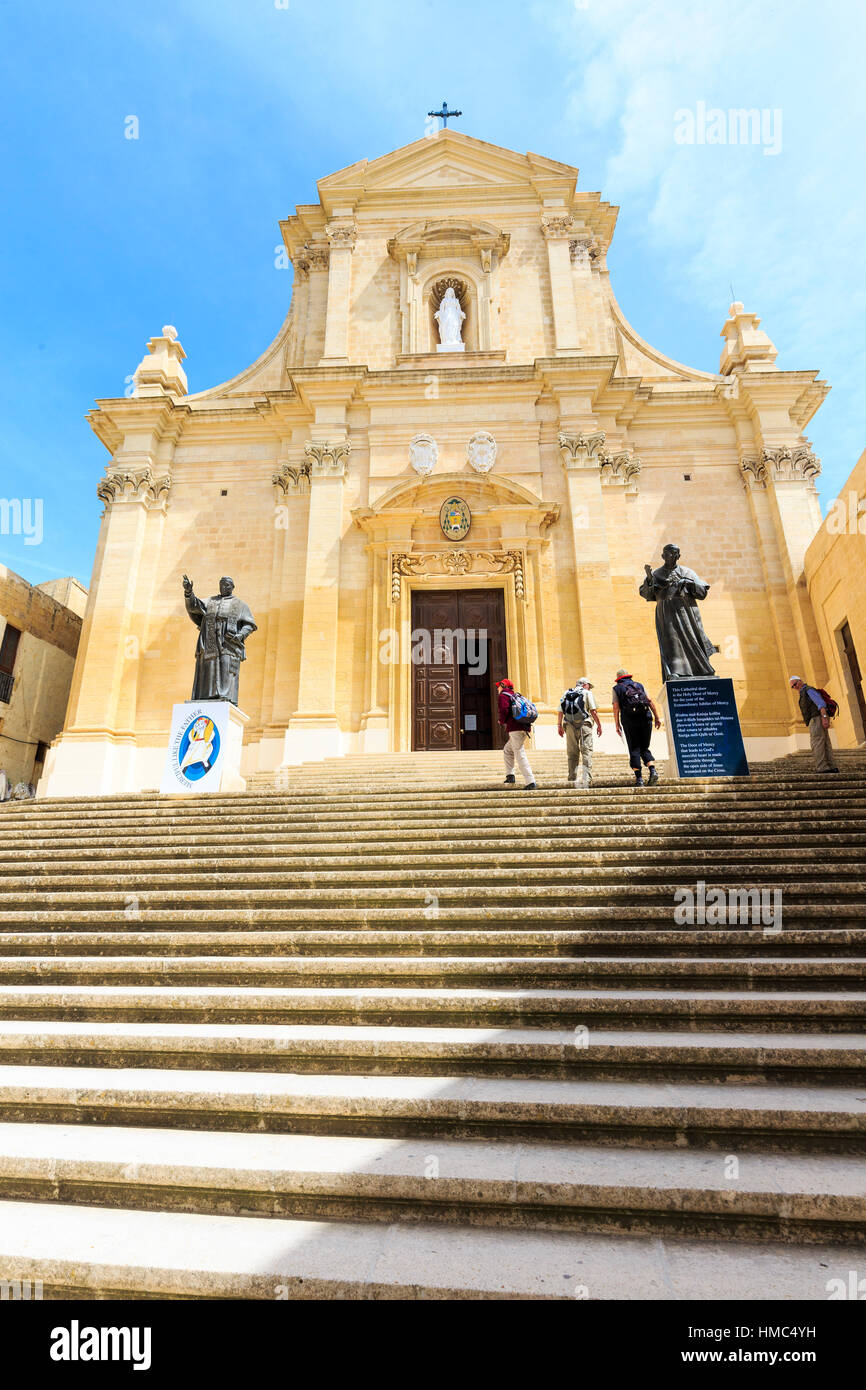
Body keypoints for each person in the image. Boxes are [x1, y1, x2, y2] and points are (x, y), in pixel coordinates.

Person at [612, 669, 661, 787]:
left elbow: (616, 707)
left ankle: (639, 779)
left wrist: (617, 724)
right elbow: (649, 701)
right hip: (646, 718)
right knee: (644, 747)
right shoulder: (639, 685)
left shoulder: (617, 688)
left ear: (618, 679)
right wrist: (657, 717)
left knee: (634, 748)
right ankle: (652, 770)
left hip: (629, 720)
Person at [558, 677, 602, 789]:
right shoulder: (587, 693)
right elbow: (593, 711)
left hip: (569, 725)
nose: (589, 688)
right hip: (584, 725)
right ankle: (586, 778)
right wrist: (599, 725)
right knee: (586, 751)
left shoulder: (566, 692)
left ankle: (572, 777)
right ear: (585, 685)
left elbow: (560, 711)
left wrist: (559, 725)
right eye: (589, 686)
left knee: (572, 752)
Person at [789, 677, 839, 773]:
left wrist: (824, 717)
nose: (794, 687)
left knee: (817, 742)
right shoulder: (804, 692)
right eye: (792, 687)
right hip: (818, 718)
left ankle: (822, 767)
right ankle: (832, 766)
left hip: (816, 719)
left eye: (795, 684)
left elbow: (821, 703)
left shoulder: (808, 690)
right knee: (824, 742)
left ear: (800, 681)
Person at [496, 678, 537, 790]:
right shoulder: (515, 695)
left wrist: (501, 720)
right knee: (508, 750)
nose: (497, 688)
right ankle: (510, 775)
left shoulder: (503, 696)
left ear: (503, 686)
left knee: (519, 753)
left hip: (515, 728)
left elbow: (504, 710)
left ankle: (530, 781)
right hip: (523, 727)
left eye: (498, 686)